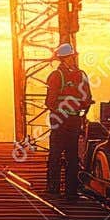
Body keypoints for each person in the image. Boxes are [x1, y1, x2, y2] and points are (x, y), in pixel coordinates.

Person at [44, 43, 92, 202]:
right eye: (73, 56)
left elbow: (50, 101)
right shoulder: (81, 75)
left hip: (59, 121)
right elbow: (87, 99)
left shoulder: (56, 76)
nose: (75, 58)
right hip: (74, 120)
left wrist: (58, 109)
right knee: (72, 156)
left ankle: (53, 189)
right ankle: (71, 191)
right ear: (69, 57)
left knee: (55, 155)